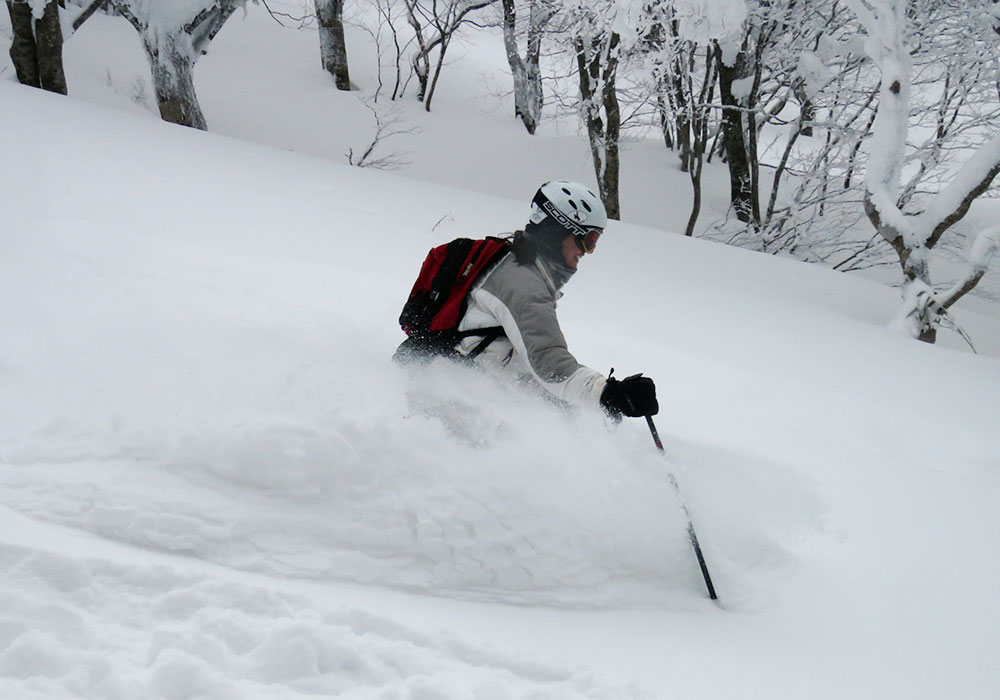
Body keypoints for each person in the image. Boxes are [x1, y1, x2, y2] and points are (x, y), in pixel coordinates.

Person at [443, 180, 658, 420]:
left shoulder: (517, 268)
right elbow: (546, 360)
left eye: (594, 242)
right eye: (588, 240)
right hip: (453, 406)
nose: (587, 251)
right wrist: (607, 394)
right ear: (557, 231)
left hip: (468, 390)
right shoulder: (522, 284)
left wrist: (579, 409)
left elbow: (520, 364)